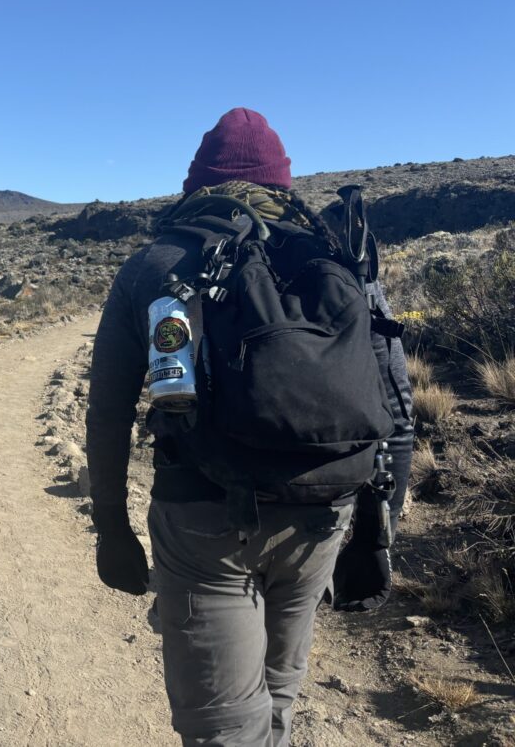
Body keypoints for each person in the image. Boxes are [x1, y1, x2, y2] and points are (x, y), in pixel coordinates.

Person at [85, 108, 413, 747]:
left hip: (204, 521)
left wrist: (112, 527)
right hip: (325, 513)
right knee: (277, 697)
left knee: (225, 728)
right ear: (284, 181)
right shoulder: (333, 256)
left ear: (196, 182)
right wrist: (380, 526)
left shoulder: (155, 264)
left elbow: (108, 410)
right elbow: (395, 404)